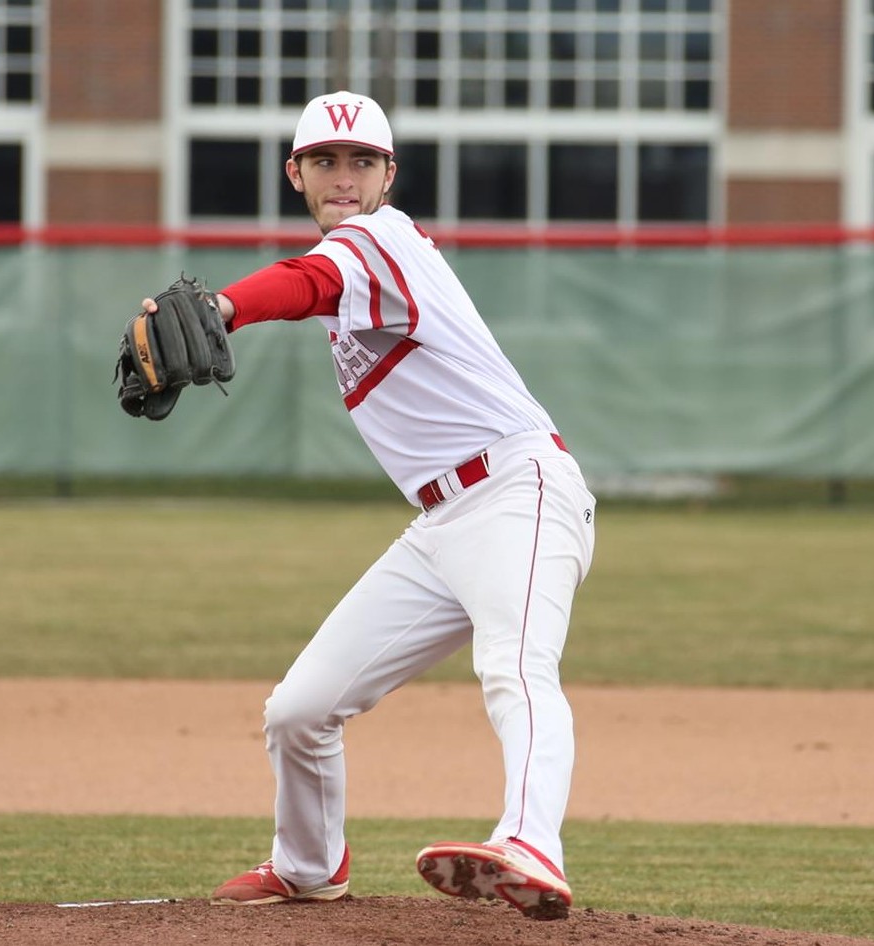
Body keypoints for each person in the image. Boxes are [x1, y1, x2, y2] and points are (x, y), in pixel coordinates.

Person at [186, 90, 596, 921]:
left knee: (516, 668)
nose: (344, 176)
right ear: (295, 172)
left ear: (388, 176)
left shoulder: (382, 239)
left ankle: (532, 843)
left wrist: (224, 307)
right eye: (326, 161)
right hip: (442, 520)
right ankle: (307, 865)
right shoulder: (359, 256)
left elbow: (307, 281)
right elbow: (318, 282)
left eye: (362, 162)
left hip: (518, 491)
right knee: (300, 711)